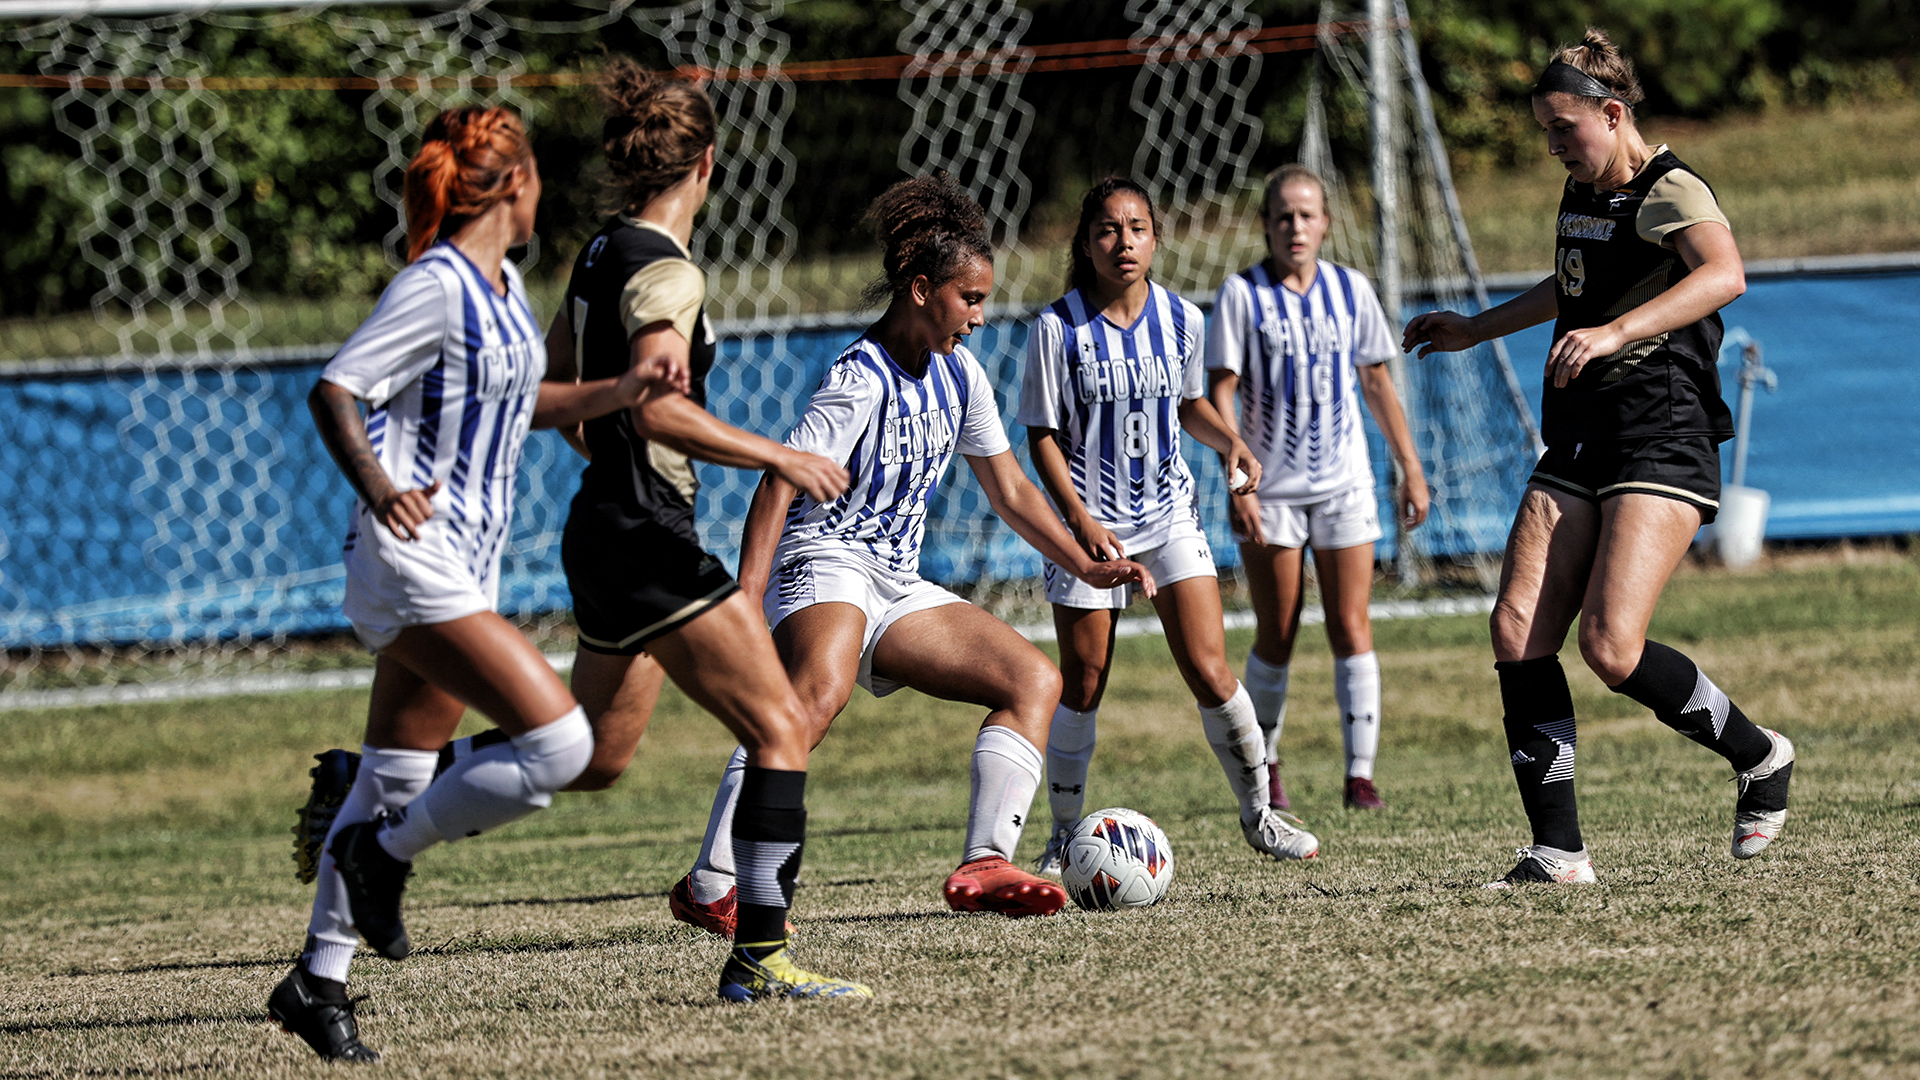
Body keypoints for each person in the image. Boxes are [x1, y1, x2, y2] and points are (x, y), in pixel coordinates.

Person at [267, 104, 693, 1063]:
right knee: (557, 743)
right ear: (513, 183)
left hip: (463, 559)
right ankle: (377, 853)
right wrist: (380, 488)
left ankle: (318, 980)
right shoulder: (438, 284)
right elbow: (338, 387)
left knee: (396, 772)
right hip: (413, 559)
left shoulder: (500, 286)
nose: (546, 189)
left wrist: (620, 393)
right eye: (538, 173)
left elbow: (521, 399)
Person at [670, 173, 1155, 927]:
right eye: (971, 298)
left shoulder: (961, 375)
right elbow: (778, 483)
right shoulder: (858, 379)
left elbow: (1012, 492)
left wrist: (1083, 561)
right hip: (823, 560)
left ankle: (985, 862)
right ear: (923, 290)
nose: (982, 317)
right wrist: (747, 596)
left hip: (894, 579)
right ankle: (711, 885)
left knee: (1032, 679)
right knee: (814, 697)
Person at [1401, 29, 1794, 887]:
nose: (1553, 147)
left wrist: (1617, 332)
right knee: (1517, 630)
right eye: (1545, 130)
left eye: (1565, 128)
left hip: (1664, 432)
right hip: (1583, 428)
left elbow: (1724, 274)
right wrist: (1478, 328)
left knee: (1612, 648)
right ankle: (1559, 852)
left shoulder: (1672, 187)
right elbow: (1573, 285)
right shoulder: (1584, 193)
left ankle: (1761, 758)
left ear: (1614, 115)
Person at [1017, 176, 1320, 871]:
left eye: (1136, 229)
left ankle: (1260, 815)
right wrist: (1078, 521)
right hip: (1088, 525)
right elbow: (1041, 435)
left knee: (1212, 670)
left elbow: (1188, 406)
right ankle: (1064, 835)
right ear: (1085, 243)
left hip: (1166, 515)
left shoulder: (1182, 317)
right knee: (1085, 681)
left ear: (1155, 238)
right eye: (1107, 230)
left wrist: (1231, 442)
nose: (1122, 242)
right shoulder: (1056, 328)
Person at [1206, 164, 1429, 814]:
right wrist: (1237, 477)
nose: (1295, 227)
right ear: (1266, 226)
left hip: (1343, 485)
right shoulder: (1242, 296)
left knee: (1351, 625)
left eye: (1307, 215)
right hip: (1270, 489)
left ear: (1325, 224)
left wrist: (1410, 467)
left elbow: (1377, 382)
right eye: (1283, 216)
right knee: (1277, 630)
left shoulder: (1350, 290)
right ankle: (1265, 766)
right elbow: (1220, 390)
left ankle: (1360, 777)